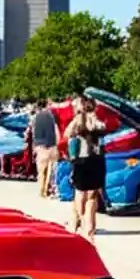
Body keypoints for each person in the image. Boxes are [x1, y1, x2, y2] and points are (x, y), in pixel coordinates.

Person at [64, 95, 107, 241]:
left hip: (81, 162)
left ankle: (79, 222)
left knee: (80, 194)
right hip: (96, 161)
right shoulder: (97, 122)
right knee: (92, 196)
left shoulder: (77, 121)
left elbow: (67, 134)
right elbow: (102, 130)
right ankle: (89, 231)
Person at [30, 98, 60, 198]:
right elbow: (56, 130)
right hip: (52, 145)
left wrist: (34, 145)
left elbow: (33, 132)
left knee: (41, 171)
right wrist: (58, 143)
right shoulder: (52, 116)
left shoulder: (35, 117)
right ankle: (47, 189)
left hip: (40, 146)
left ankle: (41, 191)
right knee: (50, 170)